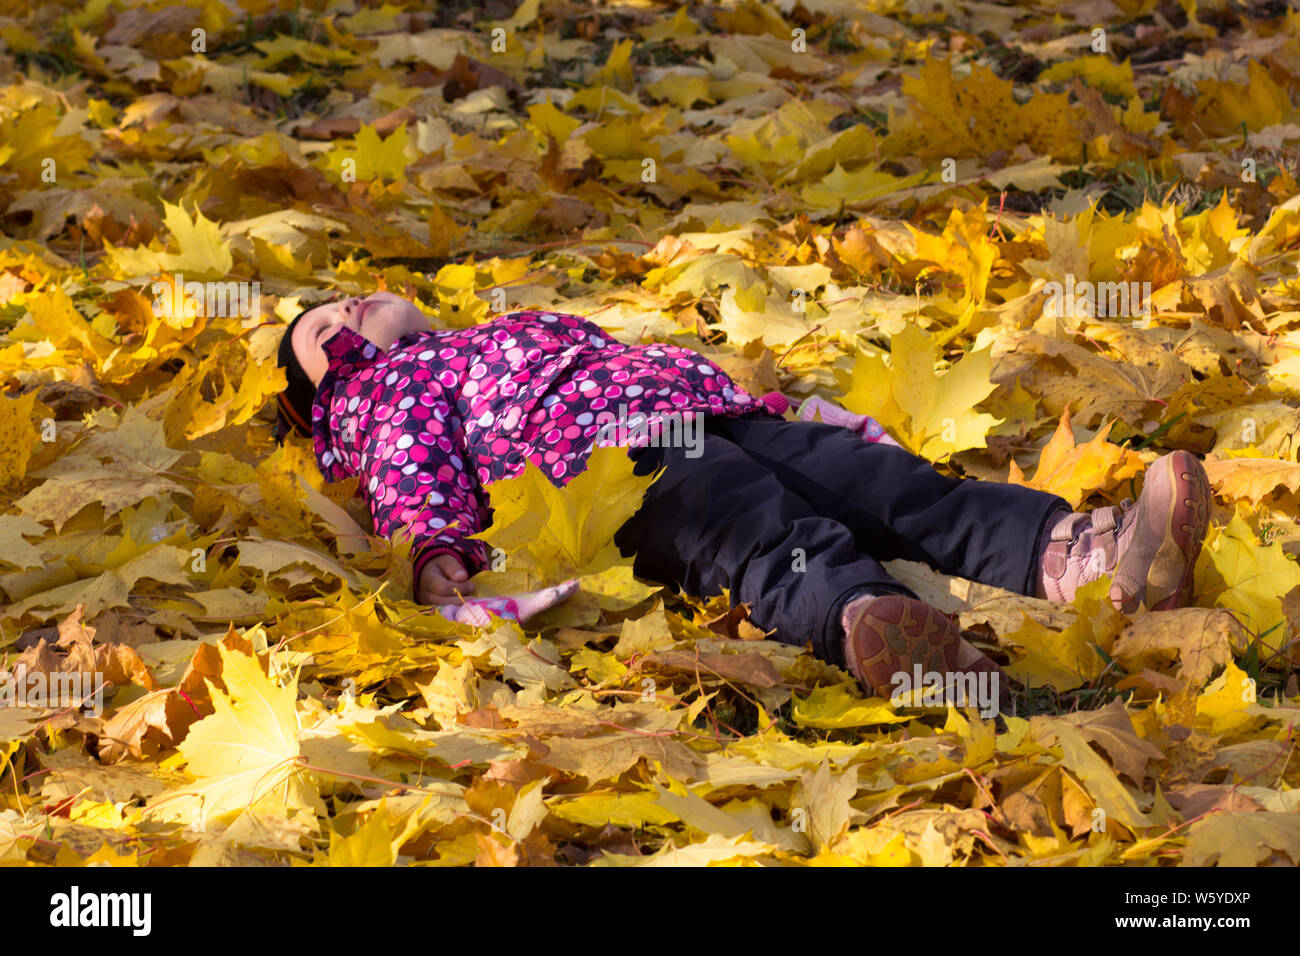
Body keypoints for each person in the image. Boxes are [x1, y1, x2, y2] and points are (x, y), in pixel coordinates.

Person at [272, 291, 1212, 707]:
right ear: (325, 391)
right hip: (603, 472)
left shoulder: (500, 329)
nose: (343, 311)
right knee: (759, 535)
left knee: (891, 487)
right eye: (321, 328)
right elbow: (412, 467)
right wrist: (437, 551)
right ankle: (867, 625)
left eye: (348, 296)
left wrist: (761, 407)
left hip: (706, 417)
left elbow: (640, 363)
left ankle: (1090, 557)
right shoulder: (376, 395)